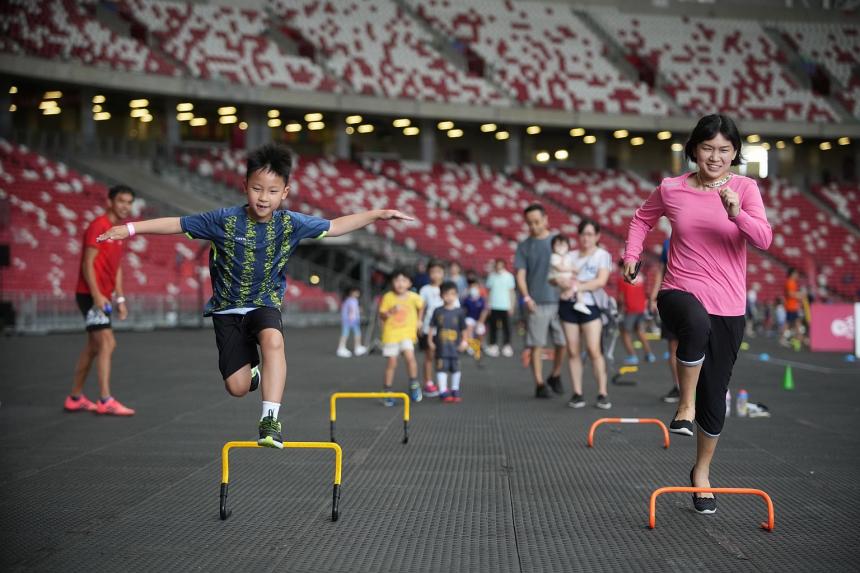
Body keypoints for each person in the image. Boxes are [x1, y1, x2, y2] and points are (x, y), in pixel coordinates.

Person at [97, 143, 412, 447]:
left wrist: (377, 214)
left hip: (264, 302)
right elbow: (176, 224)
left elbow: (334, 226)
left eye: (273, 191)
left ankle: (270, 420)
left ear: (284, 193)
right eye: (257, 189)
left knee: (274, 341)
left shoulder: (290, 222)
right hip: (227, 310)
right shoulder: (222, 220)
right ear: (245, 185)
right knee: (237, 387)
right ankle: (254, 373)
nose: (264, 198)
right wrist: (131, 229)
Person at [623, 113, 772, 514]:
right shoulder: (672, 189)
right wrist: (631, 256)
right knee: (694, 324)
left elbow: (764, 239)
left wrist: (736, 212)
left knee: (716, 401)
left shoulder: (745, 188)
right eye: (707, 148)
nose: (715, 156)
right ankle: (683, 404)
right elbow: (641, 219)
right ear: (693, 149)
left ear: (735, 153)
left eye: (724, 149)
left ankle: (701, 472)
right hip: (680, 290)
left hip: (729, 304)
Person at [65, 185, 137, 416]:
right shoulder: (99, 226)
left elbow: (115, 269)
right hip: (89, 294)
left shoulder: (118, 231)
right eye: (121, 201)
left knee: (94, 346)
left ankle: (75, 397)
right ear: (110, 202)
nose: (125, 206)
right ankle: (105, 400)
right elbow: (88, 263)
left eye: (129, 202)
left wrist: (120, 298)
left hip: (103, 295)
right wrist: (96, 295)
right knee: (107, 343)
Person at [552, 219, 612, 409]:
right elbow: (555, 278)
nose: (586, 238)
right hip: (568, 305)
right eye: (583, 234)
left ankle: (602, 392)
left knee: (594, 350)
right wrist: (563, 284)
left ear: (597, 236)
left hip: (591, 305)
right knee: (572, 350)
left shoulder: (602, 255)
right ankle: (577, 393)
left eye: (590, 234)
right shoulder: (570, 255)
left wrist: (577, 287)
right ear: (578, 236)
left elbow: (600, 281)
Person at [514, 204, 566, 398]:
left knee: (563, 342)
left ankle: (556, 374)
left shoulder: (557, 242)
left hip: (560, 301)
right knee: (537, 344)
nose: (533, 226)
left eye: (537, 222)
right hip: (537, 302)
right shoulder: (524, 246)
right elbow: (520, 274)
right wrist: (526, 297)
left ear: (545, 219)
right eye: (529, 223)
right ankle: (539, 383)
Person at [379, 268, 425, 404]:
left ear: (409, 283)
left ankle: (414, 385)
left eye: (404, 280)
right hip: (391, 334)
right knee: (392, 362)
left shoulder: (413, 297)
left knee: (410, 357)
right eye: (397, 280)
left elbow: (422, 305)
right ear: (392, 282)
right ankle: (387, 390)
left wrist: (419, 320)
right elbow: (382, 314)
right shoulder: (388, 297)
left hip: (407, 333)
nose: (400, 283)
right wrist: (391, 311)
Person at [650, 238, 681, 403]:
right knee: (673, 346)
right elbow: (661, 270)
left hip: (695, 299)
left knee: (697, 345)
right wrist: (654, 297)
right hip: (671, 298)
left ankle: (696, 388)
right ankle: (678, 387)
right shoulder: (667, 243)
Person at [428, 281, 469, 402]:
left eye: (452, 294)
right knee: (441, 367)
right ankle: (443, 391)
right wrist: (430, 341)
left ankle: (455, 389)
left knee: (456, 367)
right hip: (441, 347)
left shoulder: (459, 312)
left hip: (455, 347)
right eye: (446, 294)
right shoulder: (437, 311)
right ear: (441, 295)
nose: (449, 297)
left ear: (456, 295)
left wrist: (464, 341)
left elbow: (464, 329)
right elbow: (432, 327)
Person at [616, 259, 655, 365]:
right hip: (641, 308)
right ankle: (649, 354)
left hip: (630, 309)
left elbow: (620, 298)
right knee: (640, 331)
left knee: (624, 333)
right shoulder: (640, 277)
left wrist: (618, 310)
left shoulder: (622, 278)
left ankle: (632, 356)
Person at [418, 260, 446, 397]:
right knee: (429, 356)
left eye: (439, 272)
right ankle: (428, 383)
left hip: (444, 328)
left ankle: (442, 384)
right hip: (429, 328)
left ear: (443, 273)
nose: (436, 275)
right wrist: (419, 322)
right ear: (429, 273)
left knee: (442, 357)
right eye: (433, 272)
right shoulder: (425, 290)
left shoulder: (447, 288)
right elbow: (421, 308)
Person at [548, 234, 592, 315]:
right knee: (572, 286)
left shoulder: (568, 256)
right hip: (560, 277)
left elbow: (572, 265)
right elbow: (559, 268)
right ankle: (568, 295)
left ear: (568, 246)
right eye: (558, 245)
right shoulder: (554, 257)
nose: (561, 248)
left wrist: (575, 272)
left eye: (563, 245)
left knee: (578, 286)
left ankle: (580, 303)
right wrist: (573, 269)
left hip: (569, 277)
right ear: (552, 247)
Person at [485, 258, 516, 357]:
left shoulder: (509, 276)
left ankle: (507, 345)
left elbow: (511, 292)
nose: (499, 267)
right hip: (494, 305)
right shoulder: (491, 276)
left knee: (507, 327)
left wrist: (512, 305)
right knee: (493, 327)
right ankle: (493, 345)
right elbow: (488, 292)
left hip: (505, 305)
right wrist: (488, 305)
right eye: (497, 265)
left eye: (500, 265)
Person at [462, 277, 489, 356]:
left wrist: (480, 321)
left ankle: (480, 345)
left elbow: (484, 311)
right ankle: (470, 346)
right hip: (470, 318)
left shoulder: (481, 299)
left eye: (475, 287)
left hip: (479, 319)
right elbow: (463, 310)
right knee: (468, 327)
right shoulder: (467, 299)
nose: (473, 289)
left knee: (480, 330)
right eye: (472, 287)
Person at [337, 287, 366, 358]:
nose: (357, 294)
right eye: (356, 292)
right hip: (350, 321)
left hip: (352, 320)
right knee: (345, 334)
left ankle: (357, 347)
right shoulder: (350, 301)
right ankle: (341, 348)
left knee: (357, 333)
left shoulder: (353, 300)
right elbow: (351, 310)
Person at [782, 267, 802, 345]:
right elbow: (790, 294)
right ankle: (797, 339)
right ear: (792, 274)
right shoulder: (790, 282)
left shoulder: (792, 282)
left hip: (793, 306)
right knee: (789, 323)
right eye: (796, 273)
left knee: (795, 323)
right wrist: (799, 295)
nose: (797, 275)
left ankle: (798, 339)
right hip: (791, 306)